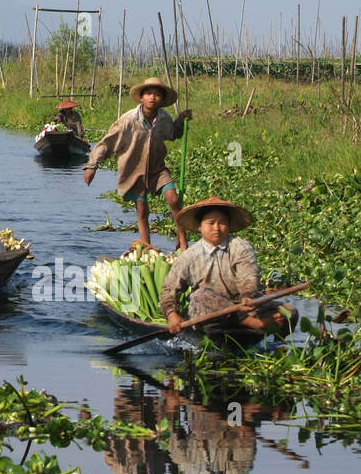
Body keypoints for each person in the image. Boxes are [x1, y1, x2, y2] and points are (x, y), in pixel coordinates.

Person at [83, 77, 192, 251]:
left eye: (157, 95)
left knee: (173, 198)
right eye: (148, 93)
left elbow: (174, 134)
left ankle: (182, 240)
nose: (152, 98)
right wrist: (92, 166)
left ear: (162, 100)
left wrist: (181, 119)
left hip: (157, 168)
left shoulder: (164, 118)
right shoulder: (128, 120)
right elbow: (107, 143)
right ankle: (147, 247)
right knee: (142, 209)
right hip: (134, 170)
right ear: (141, 97)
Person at [159, 196, 289, 336]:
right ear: (200, 227)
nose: (217, 228)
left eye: (222, 223)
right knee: (201, 297)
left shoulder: (241, 247)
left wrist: (248, 296)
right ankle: (252, 323)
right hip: (209, 312)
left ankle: (277, 347)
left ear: (229, 225)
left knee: (289, 312)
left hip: (243, 306)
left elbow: (249, 276)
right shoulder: (189, 256)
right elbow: (169, 289)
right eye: (211, 223)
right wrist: (171, 314)